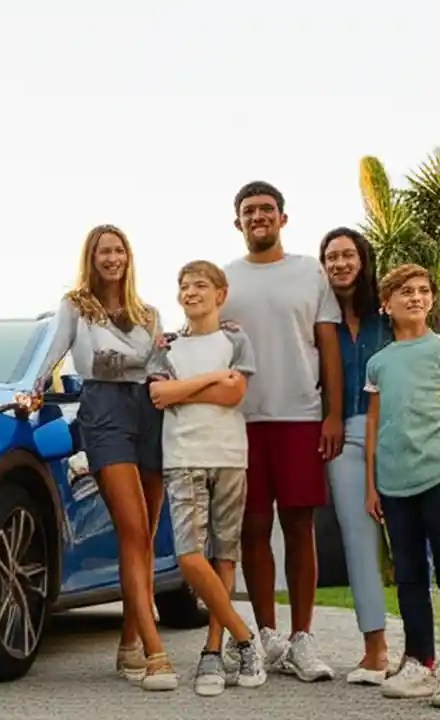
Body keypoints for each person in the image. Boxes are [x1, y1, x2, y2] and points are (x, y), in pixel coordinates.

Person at [29, 224, 178, 691]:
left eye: (118, 250)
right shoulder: (76, 305)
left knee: (147, 534)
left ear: (128, 257)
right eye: (102, 252)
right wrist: (32, 391)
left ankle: (129, 639)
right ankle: (155, 653)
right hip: (104, 411)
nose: (111, 258)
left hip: (149, 413)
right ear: (91, 259)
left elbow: (162, 368)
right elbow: (52, 355)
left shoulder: (148, 313)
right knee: (131, 529)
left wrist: (207, 335)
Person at [211, 181, 343, 682]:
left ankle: (302, 639)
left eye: (267, 209)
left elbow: (326, 344)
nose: (258, 217)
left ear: (283, 219)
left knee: (299, 526)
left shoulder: (309, 272)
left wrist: (330, 413)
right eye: (249, 211)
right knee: (252, 530)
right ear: (237, 221)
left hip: (300, 415)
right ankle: (266, 637)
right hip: (240, 421)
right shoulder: (225, 279)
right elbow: (205, 338)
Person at [364, 263, 440, 709]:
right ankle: (419, 662)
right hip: (394, 485)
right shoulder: (379, 362)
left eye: (423, 290)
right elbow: (374, 425)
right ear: (386, 304)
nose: (416, 297)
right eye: (405, 292)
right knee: (410, 577)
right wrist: (371, 485)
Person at [147, 260, 267, 696]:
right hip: (183, 457)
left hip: (230, 456)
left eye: (200, 285)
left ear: (220, 293)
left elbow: (235, 393)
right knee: (189, 555)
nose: (191, 292)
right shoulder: (167, 345)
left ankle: (213, 652)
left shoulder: (236, 338)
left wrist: (189, 389)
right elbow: (159, 394)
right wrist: (214, 377)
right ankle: (245, 637)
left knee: (225, 555)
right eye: (184, 286)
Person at [319, 227, 391, 684]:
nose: (340, 264)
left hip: (396, 433)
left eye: (348, 255)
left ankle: (426, 652)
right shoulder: (317, 323)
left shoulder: (389, 314)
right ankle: (376, 651)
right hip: (343, 437)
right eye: (331, 257)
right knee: (359, 544)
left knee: (406, 540)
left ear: (363, 260)